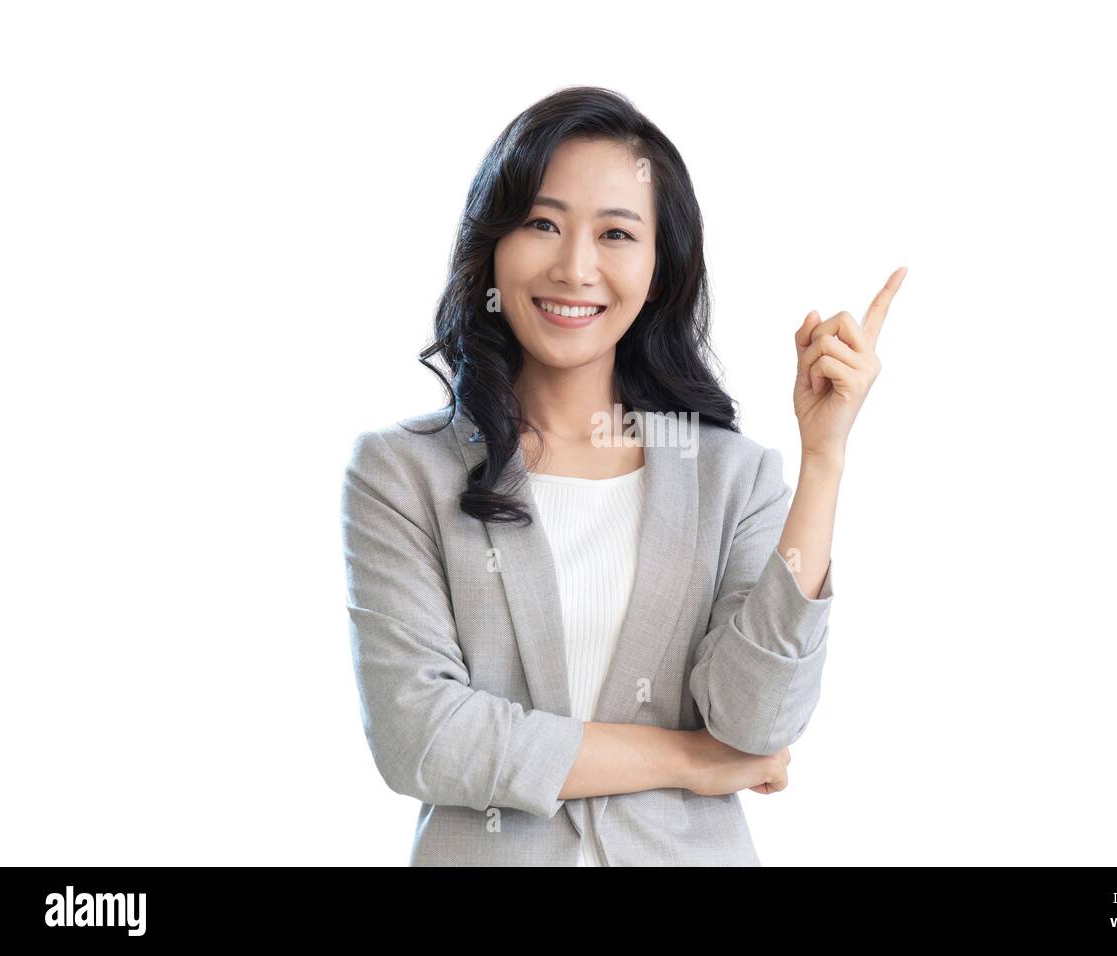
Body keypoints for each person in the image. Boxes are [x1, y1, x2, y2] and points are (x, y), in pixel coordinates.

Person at [339, 85, 905, 866]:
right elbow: (424, 736)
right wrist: (689, 761)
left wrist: (825, 459)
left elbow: (755, 721)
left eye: (615, 233)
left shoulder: (731, 479)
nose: (575, 268)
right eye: (543, 223)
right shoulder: (401, 473)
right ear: (493, 245)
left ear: (659, 270)